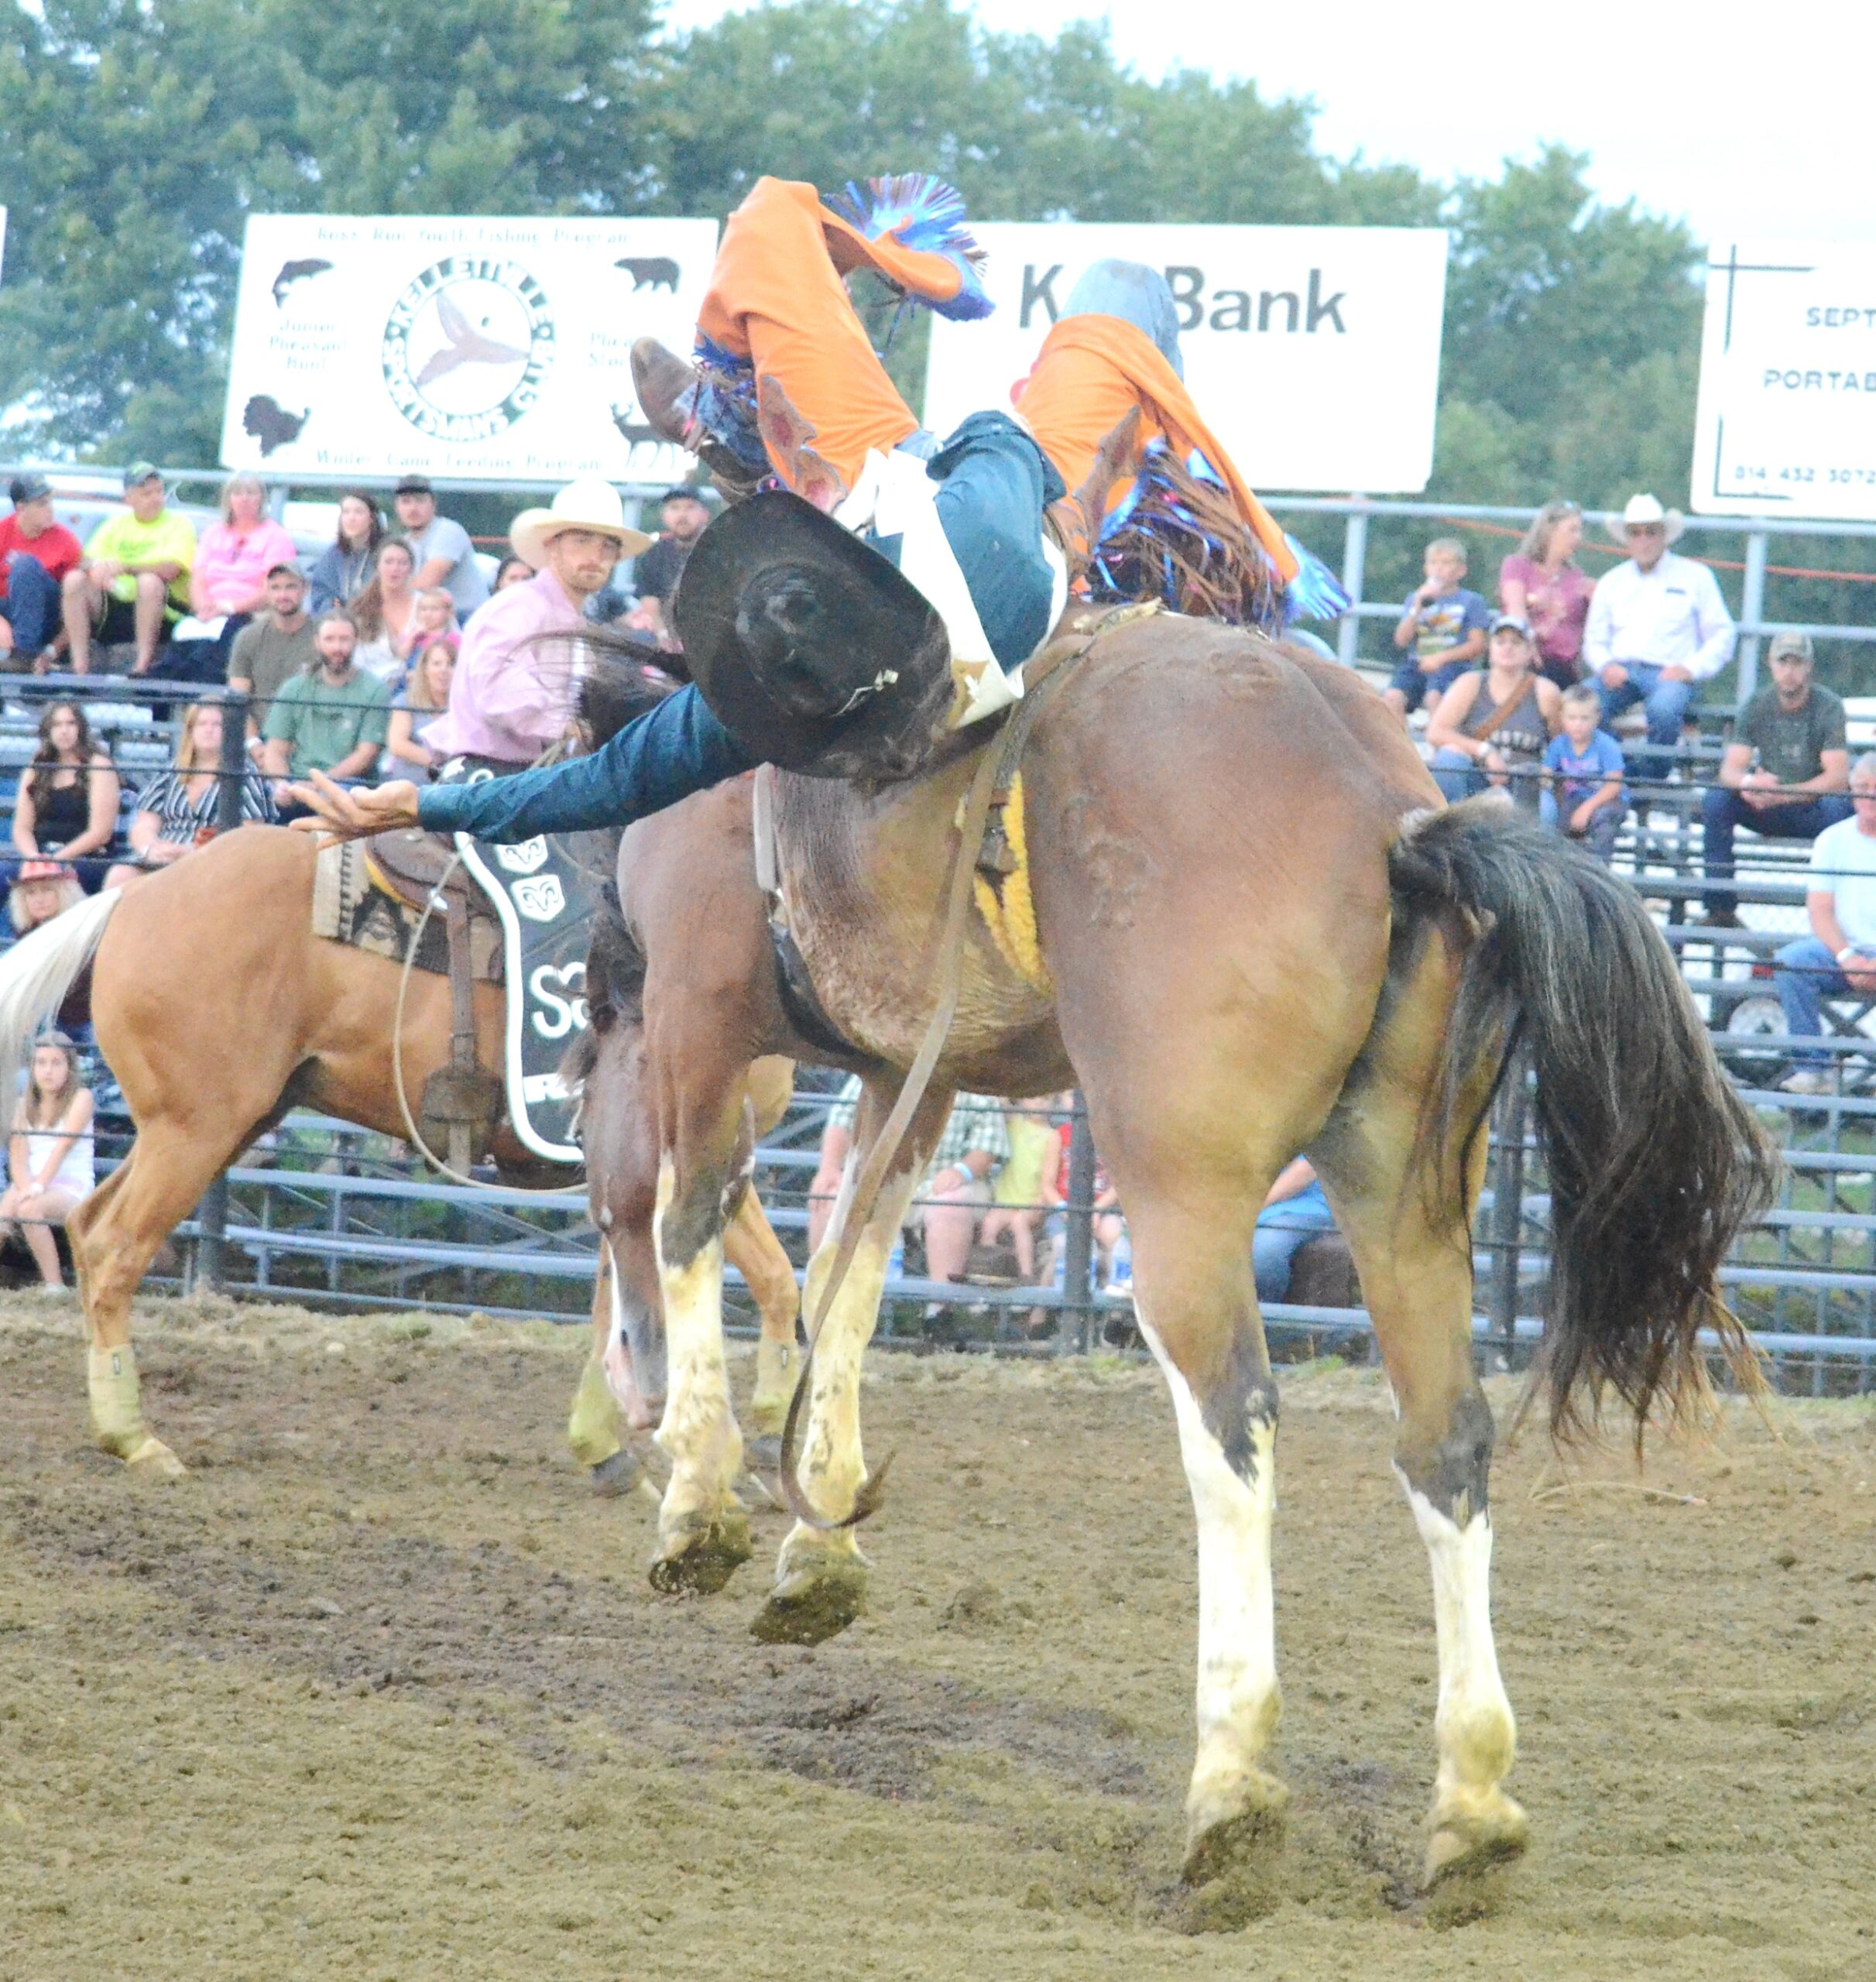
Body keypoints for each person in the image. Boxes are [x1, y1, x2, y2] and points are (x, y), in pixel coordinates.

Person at [420, 478, 649, 770]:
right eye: (581, 541)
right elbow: (498, 687)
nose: (594, 557)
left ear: (616, 558)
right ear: (552, 547)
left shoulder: (569, 621)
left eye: (607, 546)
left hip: (527, 776)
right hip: (495, 774)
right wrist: (565, 726)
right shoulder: (521, 606)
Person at [1699, 632, 1851, 928]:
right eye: (1783, 663)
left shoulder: (1829, 706)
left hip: (1812, 810)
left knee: (1840, 809)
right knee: (1716, 799)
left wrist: (1782, 794)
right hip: (1765, 804)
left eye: (1797, 663)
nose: (1789, 671)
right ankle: (1719, 907)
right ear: (1771, 664)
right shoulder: (1756, 704)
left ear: (1809, 666)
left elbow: (1837, 778)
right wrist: (1749, 785)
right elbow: (1730, 770)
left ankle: (1840, 913)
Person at [1585, 494, 1735, 786]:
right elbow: (1593, 639)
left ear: (1664, 535)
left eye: (1651, 532)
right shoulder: (1611, 582)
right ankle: (1622, 768)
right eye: (1636, 533)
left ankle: (1652, 776)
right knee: (1583, 703)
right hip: (1622, 670)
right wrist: (1605, 666)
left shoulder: (1696, 577)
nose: (1644, 541)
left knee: (1665, 709)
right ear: (1627, 539)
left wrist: (1691, 668)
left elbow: (1723, 633)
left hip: (1670, 672)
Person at [1773, 753, 1876, 1096]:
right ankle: (1812, 1068)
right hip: (1842, 950)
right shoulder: (1833, 839)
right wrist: (1848, 956)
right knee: (1791, 962)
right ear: (1851, 789)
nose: (1869, 795)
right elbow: (1820, 909)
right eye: (1862, 787)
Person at [103, 701, 275, 889]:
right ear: (190, 730)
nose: (209, 730)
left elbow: (250, 833)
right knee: (120, 875)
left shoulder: (243, 774)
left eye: (217, 725)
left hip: (214, 861)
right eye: (202, 724)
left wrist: (192, 852)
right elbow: (144, 824)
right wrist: (151, 849)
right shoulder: (171, 771)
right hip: (163, 858)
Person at [60, 463, 195, 674]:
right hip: (115, 603)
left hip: (163, 610)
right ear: (129, 499)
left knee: (148, 582)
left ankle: (142, 664)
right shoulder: (115, 525)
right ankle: (80, 665)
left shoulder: (179, 524)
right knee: (74, 580)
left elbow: (171, 569)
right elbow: (84, 559)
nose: (156, 498)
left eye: (159, 491)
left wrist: (127, 567)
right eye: (146, 494)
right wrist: (98, 568)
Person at [166, 471, 298, 684]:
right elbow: (198, 577)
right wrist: (204, 607)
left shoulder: (275, 536)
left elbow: (273, 588)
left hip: (248, 611)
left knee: (210, 651)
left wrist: (228, 608)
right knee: (183, 642)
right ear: (228, 499)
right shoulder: (213, 533)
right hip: (209, 610)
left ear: (261, 500)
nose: (244, 499)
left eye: (251, 493)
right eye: (237, 493)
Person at [1425, 615, 1560, 810]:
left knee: (1546, 812)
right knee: (1449, 757)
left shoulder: (1545, 691)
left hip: (1525, 784)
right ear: (1491, 649)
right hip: (1476, 778)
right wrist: (1484, 750)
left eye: (1516, 642)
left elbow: (1560, 743)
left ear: (1529, 651)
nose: (1507, 648)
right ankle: (1450, 828)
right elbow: (1436, 733)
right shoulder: (1470, 683)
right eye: (1500, 642)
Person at [260, 611, 392, 808]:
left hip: (347, 785)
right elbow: (275, 749)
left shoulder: (375, 690)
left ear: (356, 641)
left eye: (344, 639)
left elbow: (366, 755)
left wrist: (318, 784)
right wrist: (281, 784)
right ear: (317, 642)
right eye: (329, 639)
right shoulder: (294, 688)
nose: (337, 647)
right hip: (296, 781)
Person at [0, 1033, 94, 1293]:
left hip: (70, 1185)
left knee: (30, 1210)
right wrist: (26, 1186)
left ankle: (54, 1285)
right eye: (41, 1063)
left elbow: (64, 1146)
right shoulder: (23, 1105)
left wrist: (39, 1186)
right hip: (30, 1183)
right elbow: (17, 1157)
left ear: (69, 1067)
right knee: (3, 1216)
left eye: (56, 1063)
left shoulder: (81, 1098)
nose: (48, 1071)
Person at [1383, 537, 1490, 722]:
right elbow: (1401, 640)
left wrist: (1440, 658)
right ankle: (1404, 747)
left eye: (1446, 563)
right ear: (1426, 569)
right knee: (1391, 697)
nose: (1439, 569)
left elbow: (1478, 645)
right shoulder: (1415, 599)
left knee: (1435, 698)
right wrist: (1417, 608)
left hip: (1452, 664)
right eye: (1434, 563)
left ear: (1461, 571)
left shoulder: (1471, 601)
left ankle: (1438, 746)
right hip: (1417, 663)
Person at [11, 701, 122, 881]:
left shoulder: (99, 766)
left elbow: (101, 833)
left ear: (81, 728)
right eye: (57, 725)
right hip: (41, 854)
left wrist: (57, 860)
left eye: (71, 723)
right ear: (48, 731)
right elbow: (21, 828)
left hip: (87, 857)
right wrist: (34, 859)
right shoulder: (36, 767)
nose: (64, 731)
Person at [1498, 499, 1593, 689]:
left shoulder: (1576, 578)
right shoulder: (1518, 566)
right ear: (1550, 530)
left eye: (1579, 530)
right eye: (1572, 530)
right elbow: (1514, 606)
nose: (1579, 537)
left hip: (1561, 665)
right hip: (1521, 657)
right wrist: (1528, 643)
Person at [0, 474, 83, 670]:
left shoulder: (66, 541)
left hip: (46, 616)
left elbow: (78, 604)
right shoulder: (3, 532)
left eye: (50, 502)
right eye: (41, 504)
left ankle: (24, 654)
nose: (50, 509)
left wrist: (53, 649)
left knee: (25, 566)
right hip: (7, 610)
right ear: (21, 508)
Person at [227, 563, 317, 742]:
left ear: (305, 589)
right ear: (267, 592)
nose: (283, 595)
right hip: (260, 738)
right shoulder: (248, 637)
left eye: (290, 587)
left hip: (308, 740)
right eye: (275, 588)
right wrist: (254, 745)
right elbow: (238, 701)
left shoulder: (323, 636)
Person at [976, 1096, 1061, 1282]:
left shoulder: (1052, 1136)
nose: (1039, 1102)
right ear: (1022, 1100)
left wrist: (1040, 1200)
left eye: (1046, 1099)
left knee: (1019, 1222)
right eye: (1034, 1097)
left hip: (1032, 1202)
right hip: (1006, 1199)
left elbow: (1049, 1176)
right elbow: (1003, 1100)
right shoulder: (1014, 1124)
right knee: (990, 1223)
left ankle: (1026, 1273)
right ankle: (989, 1269)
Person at [1540, 684, 1627, 863]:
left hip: (1607, 799)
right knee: (1559, 822)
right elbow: (1546, 772)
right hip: (1574, 798)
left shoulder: (1606, 745)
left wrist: (1587, 809)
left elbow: (1614, 784)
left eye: (1585, 718)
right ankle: (1564, 869)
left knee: (1604, 821)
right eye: (1572, 718)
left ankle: (1600, 870)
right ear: (1562, 718)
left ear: (1597, 719)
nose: (1578, 724)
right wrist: (1546, 784)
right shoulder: (1559, 744)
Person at [393, 474, 489, 616]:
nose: (412, 508)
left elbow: (427, 584)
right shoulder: (404, 542)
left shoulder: (448, 531)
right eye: (406, 502)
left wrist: (389, 601)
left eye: (420, 501)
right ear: (397, 507)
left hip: (467, 616)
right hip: (430, 618)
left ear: (433, 505)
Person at [629, 485, 713, 642]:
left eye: (690, 507)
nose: (682, 515)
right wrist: (662, 633)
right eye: (674, 508)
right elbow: (649, 598)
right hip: (667, 632)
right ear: (664, 516)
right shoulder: (656, 552)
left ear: (705, 515)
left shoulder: (720, 549)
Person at [1251, 1157, 1339, 1305]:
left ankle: (1267, 1319)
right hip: (1235, 1204)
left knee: (1265, 1252)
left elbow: (1307, 1168)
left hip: (1301, 1208)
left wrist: (1250, 1207)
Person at [348, 537, 420, 684]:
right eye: (388, 562)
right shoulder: (359, 609)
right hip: (372, 688)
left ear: (411, 568)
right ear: (377, 567)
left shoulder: (427, 605)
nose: (395, 569)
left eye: (402, 563)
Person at [385, 638, 457, 775]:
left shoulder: (465, 706)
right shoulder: (405, 701)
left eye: (451, 664)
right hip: (410, 785)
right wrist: (442, 765)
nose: (444, 670)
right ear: (425, 669)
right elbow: (397, 745)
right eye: (437, 664)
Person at [307, 491, 384, 612]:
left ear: (372, 518)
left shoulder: (385, 552)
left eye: (358, 512)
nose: (351, 518)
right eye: (346, 512)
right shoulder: (333, 555)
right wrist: (332, 607)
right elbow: (320, 594)